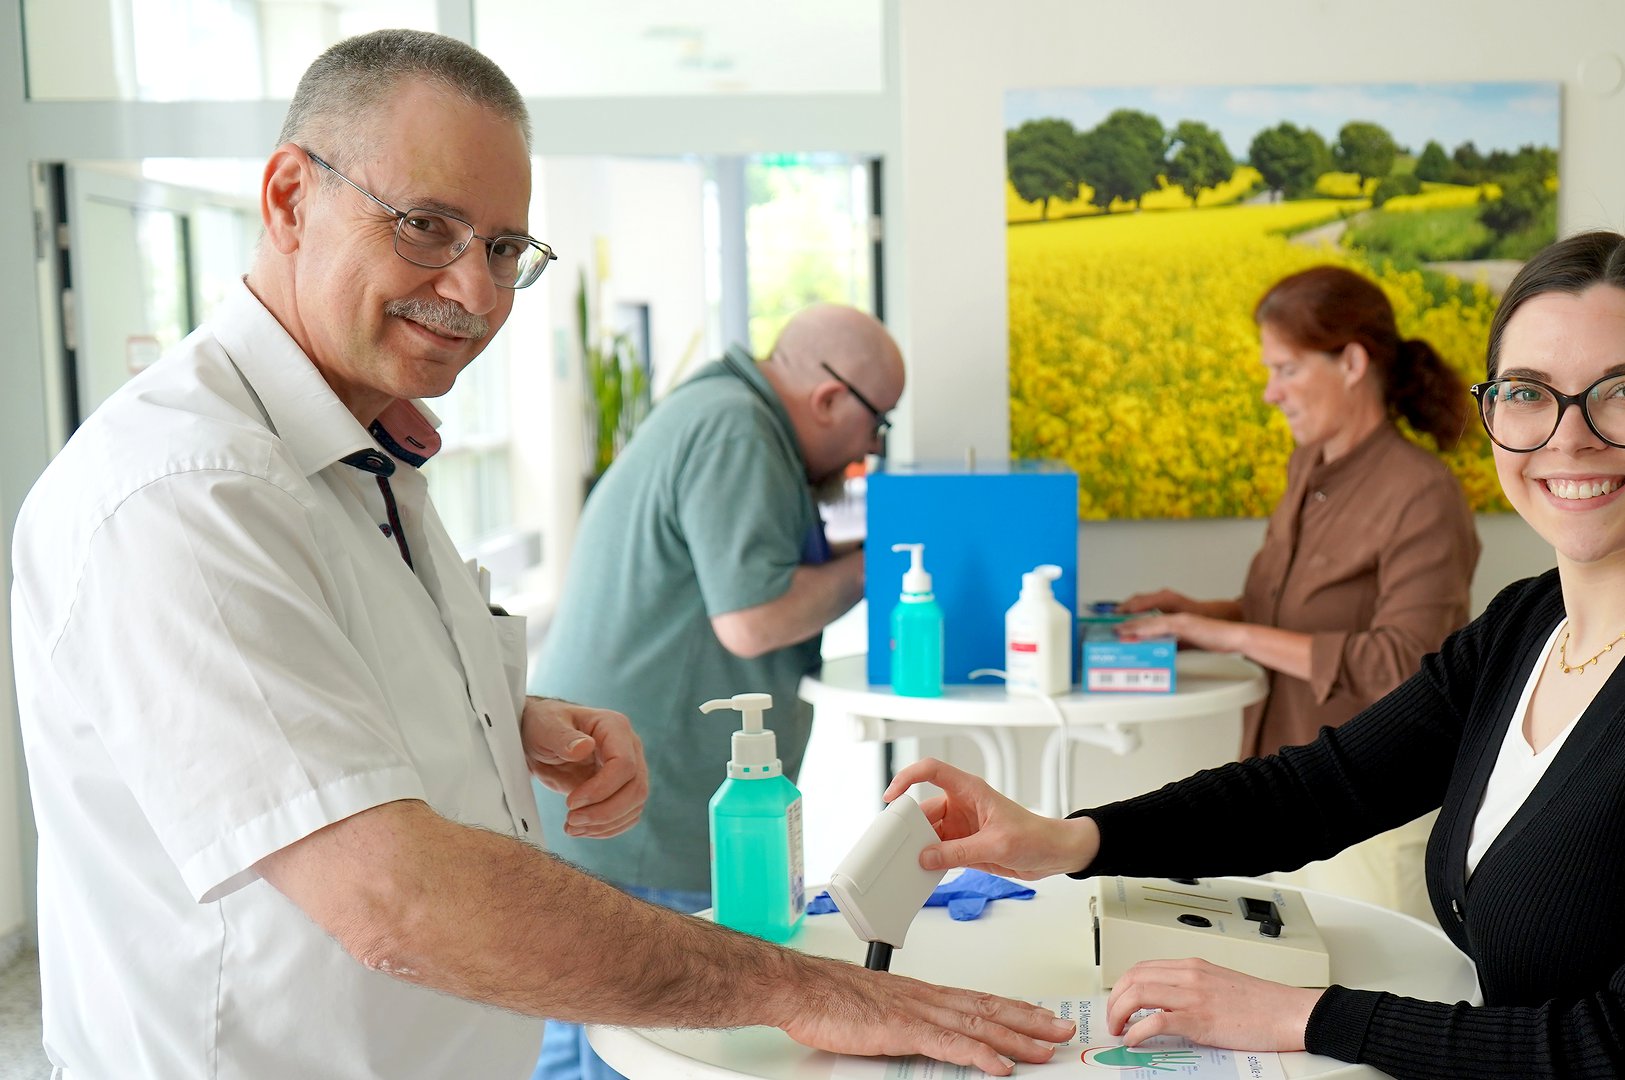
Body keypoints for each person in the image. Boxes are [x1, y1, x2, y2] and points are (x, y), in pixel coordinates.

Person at [7, 30, 1069, 1079]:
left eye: (505, 250)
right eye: (426, 226)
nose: (476, 295)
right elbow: (395, 901)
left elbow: (304, 703)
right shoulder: (185, 493)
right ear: (289, 198)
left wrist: (504, 725)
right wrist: (815, 993)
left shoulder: (366, 448)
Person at [884, 232, 1625, 1077]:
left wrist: (1302, 1018)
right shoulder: (1528, 625)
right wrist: (1071, 840)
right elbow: (1323, 787)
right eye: (1528, 395)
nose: (1570, 437)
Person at [529, 306, 900, 1079]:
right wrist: (880, 564)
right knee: (647, 1051)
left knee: (580, 1049)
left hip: (608, 798)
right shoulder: (738, 431)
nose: (872, 447)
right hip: (646, 813)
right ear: (832, 401)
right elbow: (753, 617)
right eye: (879, 423)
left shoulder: (716, 409)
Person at [1118, 265, 1480, 918]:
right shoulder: (1307, 467)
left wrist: (1223, 634)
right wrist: (1200, 614)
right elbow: (1288, 616)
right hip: (1280, 803)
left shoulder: (1423, 493)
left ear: (1351, 363)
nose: (1269, 393)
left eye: (1285, 369)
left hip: (1370, 820)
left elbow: (1407, 666)